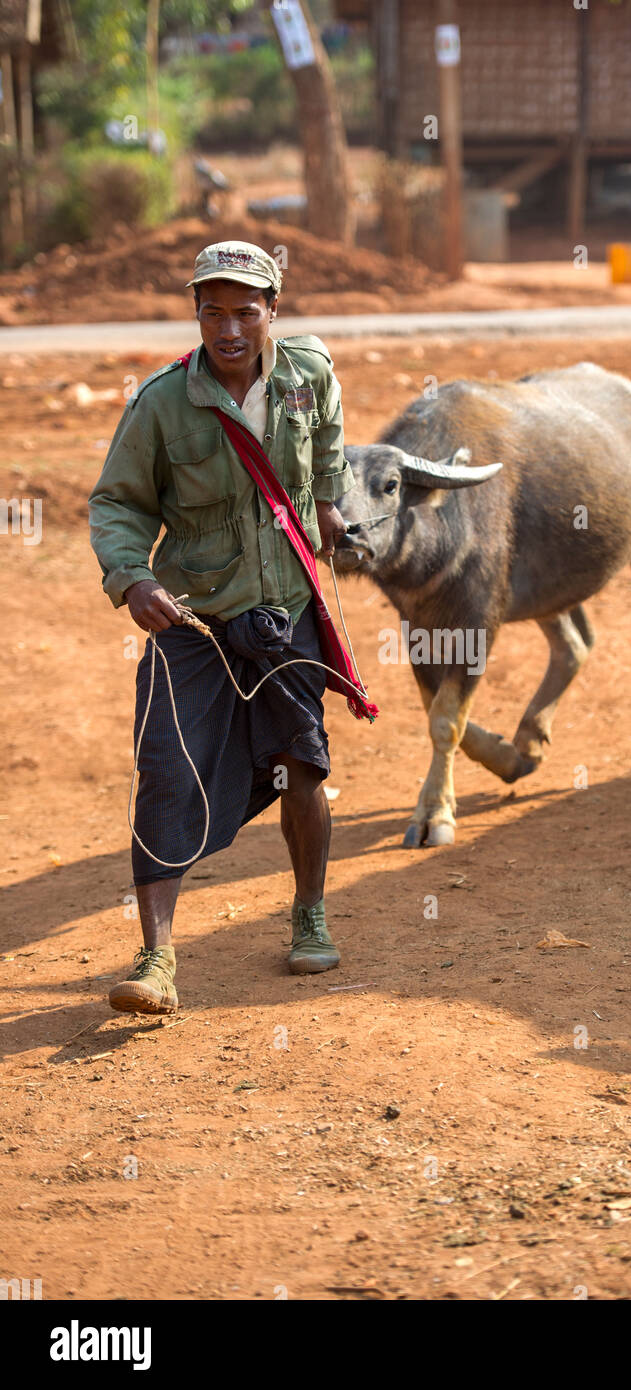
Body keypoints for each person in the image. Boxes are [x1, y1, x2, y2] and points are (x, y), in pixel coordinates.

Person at [89, 240, 368, 1014]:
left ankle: (309, 916)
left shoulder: (307, 374)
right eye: (212, 312)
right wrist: (133, 576)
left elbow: (328, 447)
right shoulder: (162, 403)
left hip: (284, 607)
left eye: (246, 311)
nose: (229, 328)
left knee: (302, 766)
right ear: (197, 317)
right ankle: (156, 960)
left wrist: (326, 502)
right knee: (167, 772)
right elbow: (116, 503)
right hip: (194, 619)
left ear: (272, 311)